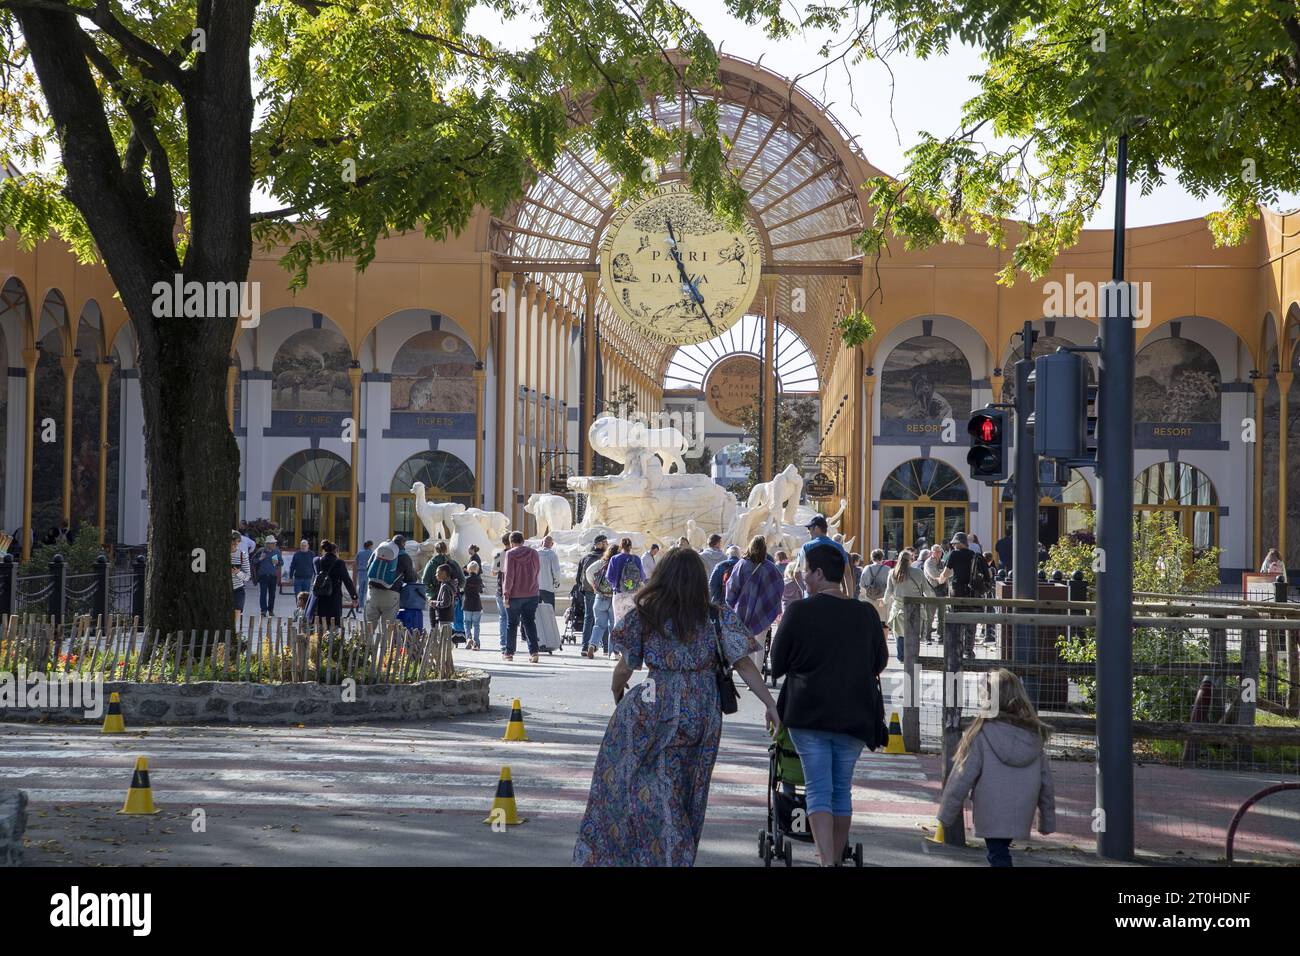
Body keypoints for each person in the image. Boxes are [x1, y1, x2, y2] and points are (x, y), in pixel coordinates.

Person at [573, 547, 780, 866]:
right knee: (687, 789)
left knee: (638, 782)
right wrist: (770, 705)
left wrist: (617, 693)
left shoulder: (645, 613)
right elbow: (744, 664)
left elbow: (626, 667)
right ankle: (672, 852)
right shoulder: (717, 617)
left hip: (652, 707)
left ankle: (647, 852)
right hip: (701, 712)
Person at [770, 544, 889, 866]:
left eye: (806, 571)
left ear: (819, 574)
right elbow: (879, 661)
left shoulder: (799, 611)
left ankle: (827, 861)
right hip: (856, 714)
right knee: (841, 791)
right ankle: (834, 857)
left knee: (818, 789)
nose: (803, 577)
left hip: (808, 713)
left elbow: (777, 663)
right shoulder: (866, 613)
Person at [938, 669, 1057, 867]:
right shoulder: (1033, 736)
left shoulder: (981, 734)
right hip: (1022, 811)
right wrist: (1047, 820)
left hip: (990, 810)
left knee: (998, 856)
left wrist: (946, 815)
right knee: (999, 853)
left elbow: (961, 777)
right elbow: (1047, 783)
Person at [725, 535, 784, 670]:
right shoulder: (770, 568)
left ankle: (749, 675)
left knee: (747, 643)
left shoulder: (741, 564)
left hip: (742, 610)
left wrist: (730, 604)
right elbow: (779, 587)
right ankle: (758, 672)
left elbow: (732, 587)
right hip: (764, 611)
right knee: (760, 643)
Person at [939, 532, 990, 657]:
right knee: (971, 623)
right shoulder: (974, 555)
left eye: (955, 543)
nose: (954, 546)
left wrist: (939, 579)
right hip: (972, 593)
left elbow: (945, 574)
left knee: (957, 622)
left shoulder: (954, 554)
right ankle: (968, 651)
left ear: (959, 543)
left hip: (958, 593)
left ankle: (957, 651)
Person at [501, 531, 541, 663]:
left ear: (511, 542)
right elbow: (537, 570)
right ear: (523, 540)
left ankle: (509, 653)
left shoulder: (510, 554)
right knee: (529, 622)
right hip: (532, 593)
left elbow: (509, 576)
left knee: (512, 624)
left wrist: (506, 594)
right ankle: (534, 652)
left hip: (514, 595)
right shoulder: (533, 553)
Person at [883, 549, 929, 662]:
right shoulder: (918, 572)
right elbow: (927, 591)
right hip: (916, 607)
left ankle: (901, 657)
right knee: (914, 634)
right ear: (911, 560)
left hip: (898, 608)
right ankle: (913, 656)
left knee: (899, 634)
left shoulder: (892, 572)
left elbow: (888, 591)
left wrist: (884, 601)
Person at [365, 534, 418, 629]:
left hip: (372, 592)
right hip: (391, 594)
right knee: (387, 628)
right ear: (403, 544)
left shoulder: (379, 550)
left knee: (368, 626)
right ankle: (384, 644)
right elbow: (410, 579)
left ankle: (365, 644)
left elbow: (368, 567)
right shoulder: (404, 556)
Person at [310, 540, 357, 627]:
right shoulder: (339, 563)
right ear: (336, 552)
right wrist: (354, 596)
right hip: (334, 597)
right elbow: (347, 581)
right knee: (333, 625)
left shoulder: (316, 561)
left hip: (319, 598)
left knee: (319, 624)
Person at [576, 535, 608, 658]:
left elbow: (578, 578)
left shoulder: (585, 558)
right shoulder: (605, 558)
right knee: (604, 619)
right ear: (600, 544)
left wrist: (583, 589)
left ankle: (584, 647)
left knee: (588, 618)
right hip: (603, 592)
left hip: (589, 591)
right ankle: (606, 648)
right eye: (605, 542)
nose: (607, 544)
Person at [585, 538, 616, 657]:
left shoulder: (601, 562)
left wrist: (594, 585)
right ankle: (612, 652)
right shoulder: (617, 563)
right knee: (613, 626)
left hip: (600, 597)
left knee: (598, 625)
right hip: (613, 598)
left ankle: (592, 645)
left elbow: (588, 571)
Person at [606, 537, 645, 624]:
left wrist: (617, 583)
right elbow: (642, 577)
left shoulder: (614, 559)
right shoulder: (636, 559)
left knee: (618, 622)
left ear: (621, 546)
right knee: (633, 623)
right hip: (633, 594)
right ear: (630, 547)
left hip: (619, 594)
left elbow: (609, 577)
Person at [251, 535, 282, 616]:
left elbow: (281, 563)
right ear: (267, 544)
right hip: (263, 576)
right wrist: (260, 559)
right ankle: (263, 610)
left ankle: (271, 610)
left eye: (274, 543)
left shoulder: (277, 552)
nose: (274, 545)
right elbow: (253, 562)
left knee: (272, 594)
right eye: (272, 543)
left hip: (273, 576)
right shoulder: (261, 551)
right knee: (263, 593)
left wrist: (276, 562)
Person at [492, 532, 511, 652]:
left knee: (502, 618)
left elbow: (494, 572)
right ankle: (510, 643)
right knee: (511, 618)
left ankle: (503, 643)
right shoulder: (515, 555)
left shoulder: (499, 555)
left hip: (500, 589)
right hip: (512, 591)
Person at [857, 549, 890, 615]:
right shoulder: (887, 569)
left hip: (870, 598)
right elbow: (891, 585)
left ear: (872, 558)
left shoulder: (867, 568)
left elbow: (862, 584)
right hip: (883, 598)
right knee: (882, 619)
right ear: (882, 557)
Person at [430, 564, 456, 642]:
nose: (436, 575)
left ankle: (445, 653)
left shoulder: (445, 586)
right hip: (446, 617)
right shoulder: (447, 585)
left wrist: (435, 603)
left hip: (444, 617)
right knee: (445, 638)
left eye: (437, 573)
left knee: (444, 639)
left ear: (444, 573)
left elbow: (446, 603)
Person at [462, 561, 484, 649]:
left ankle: (468, 638)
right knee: (476, 625)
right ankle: (476, 642)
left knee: (467, 623)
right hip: (476, 605)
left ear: (468, 569)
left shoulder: (466, 579)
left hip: (467, 604)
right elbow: (481, 590)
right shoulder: (479, 579)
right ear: (477, 569)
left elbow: (462, 590)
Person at [537, 535, 562, 607]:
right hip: (548, 587)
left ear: (542, 543)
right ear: (552, 544)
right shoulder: (552, 555)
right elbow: (556, 571)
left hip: (535, 588)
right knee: (550, 612)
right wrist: (557, 583)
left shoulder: (535, 553)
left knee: (536, 613)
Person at [230, 531, 251, 619]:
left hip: (237, 589)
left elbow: (248, 577)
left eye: (237, 542)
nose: (234, 544)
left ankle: (234, 631)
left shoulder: (242, 555)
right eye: (233, 542)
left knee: (237, 612)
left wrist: (238, 573)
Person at [354, 539, 374, 612]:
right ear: (370, 546)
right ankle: (365, 606)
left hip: (360, 572)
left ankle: (360, 606)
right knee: (366, 590)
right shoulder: (372, 553)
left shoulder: (360, 553)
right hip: (368, 572)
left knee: (360, 590)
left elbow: (356, 562)